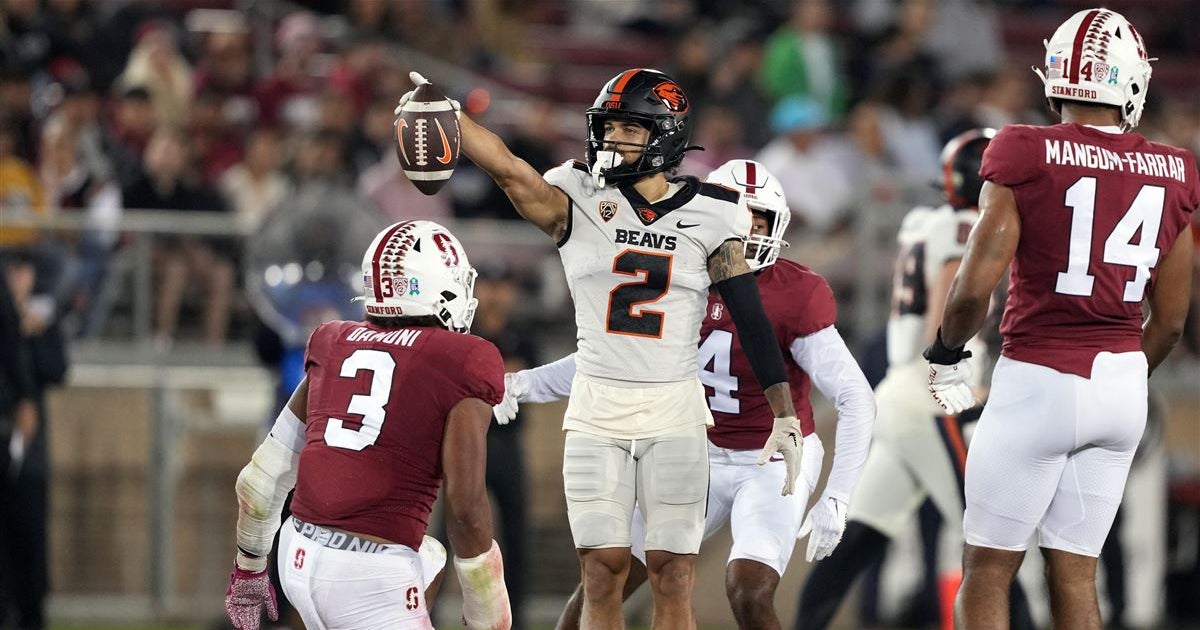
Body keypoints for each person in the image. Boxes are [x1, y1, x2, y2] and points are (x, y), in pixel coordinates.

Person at [399, 69, 802, 628]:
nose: (612, 140)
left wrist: (785, 412)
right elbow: (510, 169)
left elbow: (750, 315)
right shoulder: (579, 197)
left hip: (676, 412)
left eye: (629, 129)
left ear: (664, 136)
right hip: (596, 411)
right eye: (608, 127)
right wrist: (453, 118)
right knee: (601, 572)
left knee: (673, 574)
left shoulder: (714, 212)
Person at [495, 159, 877, 630]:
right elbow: (611, 359)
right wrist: (525, 384)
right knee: (601, 583)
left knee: (749, 590)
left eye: (758, 221)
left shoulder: (793, 293)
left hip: (773, 460)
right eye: (739, 218)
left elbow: (855, 396)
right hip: (691, 452)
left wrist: (837, 495)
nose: (746, 233)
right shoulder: (673, 275)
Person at [923, 9, 1197, 629]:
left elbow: (971, 290)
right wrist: (1123, 375)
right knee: (1076, 572)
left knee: (988, 569)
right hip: (1121, 386)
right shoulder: (1175, 168)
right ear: (1131, 80)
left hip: (1037, 378)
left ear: (1055, 77)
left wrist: (945, 352)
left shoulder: (1023, 148)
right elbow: (1171, 321)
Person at [793, 129, 1034, 630]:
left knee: (858, 539)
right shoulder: (967, 225)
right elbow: (951, 298)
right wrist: (952, 369)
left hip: (901, 391)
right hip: (932, 392)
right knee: (992, 541)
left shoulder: (923, 221)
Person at [223, 220, 512, 630]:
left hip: (296, 555)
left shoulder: (332, 340)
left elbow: (259, 481)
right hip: (368, 576)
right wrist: (490, 614)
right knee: (433, 558)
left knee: (429, 557)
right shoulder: (465, 358)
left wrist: (250, 571)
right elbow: (466, 510)